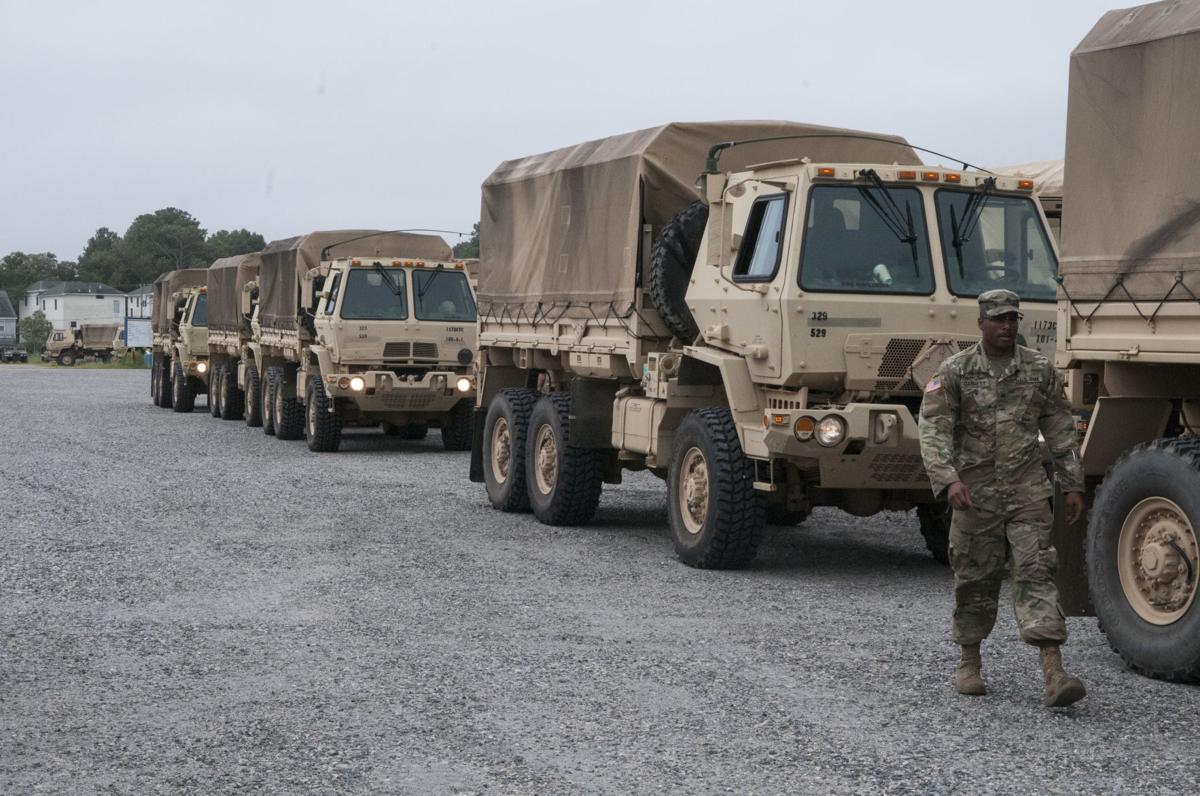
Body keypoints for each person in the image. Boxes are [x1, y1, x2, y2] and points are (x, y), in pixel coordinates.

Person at [919, 288, 1087, 708]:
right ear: (981, 323)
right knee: (975, 577)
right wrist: (949, 480)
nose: (1006, 326)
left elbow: (1060, 427)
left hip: (1026, 489)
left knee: (1036, 570)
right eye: (998, 319)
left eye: (1012, 319)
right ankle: (969, 661)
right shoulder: (955, 371)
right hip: (974, 495)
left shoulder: (1039, 369)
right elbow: (934, 430)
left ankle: (1054, 672)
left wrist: (1072, 484)